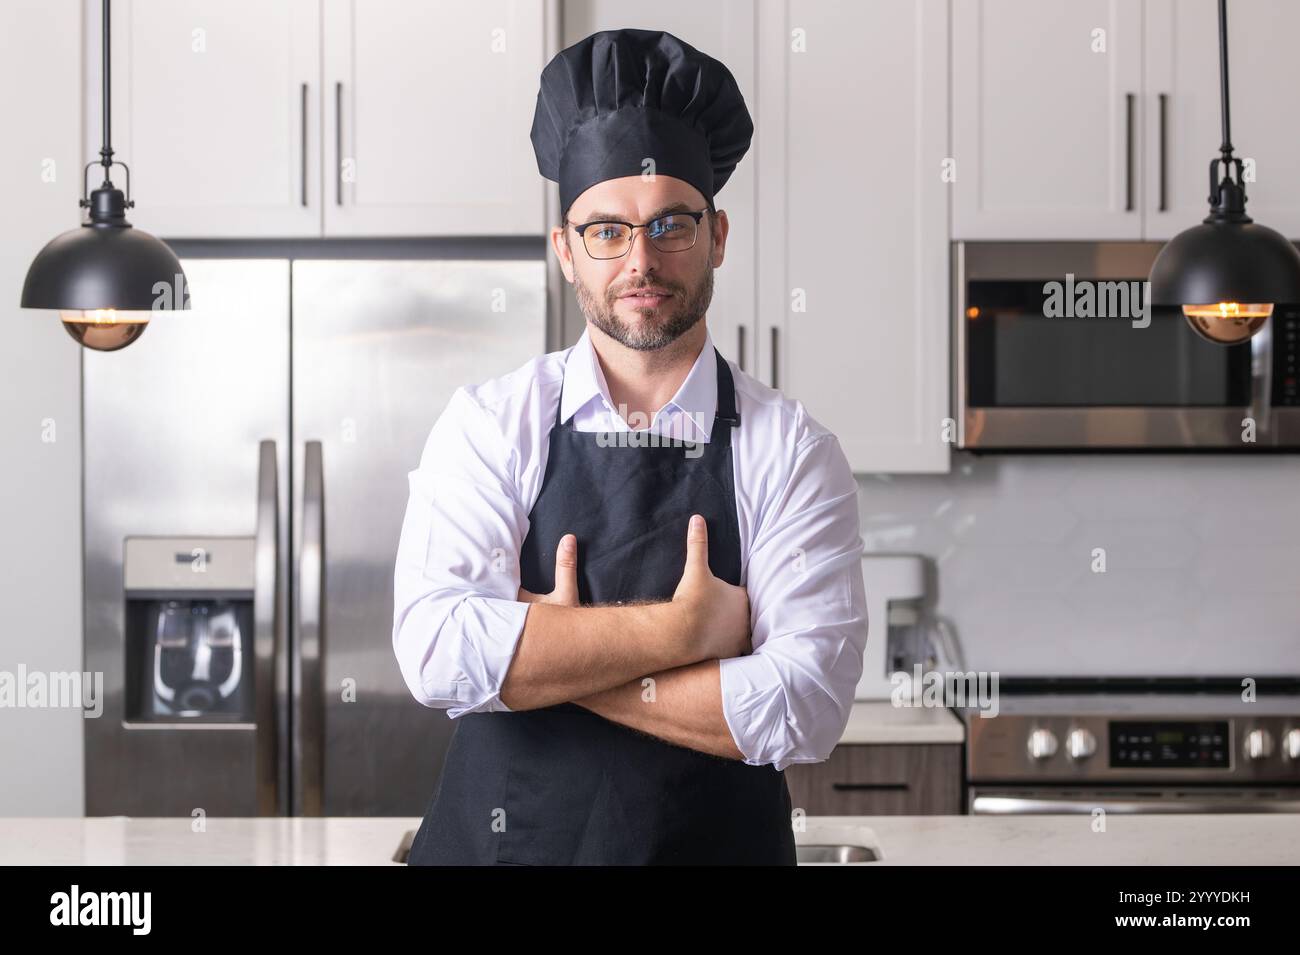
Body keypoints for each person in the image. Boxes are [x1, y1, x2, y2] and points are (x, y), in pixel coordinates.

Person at [394, 28, 867, 865]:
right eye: (606, 231)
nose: (639, 260)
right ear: (566, 253)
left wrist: (550, 657)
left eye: (669, 225)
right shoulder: (490, 424)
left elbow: (805, 704)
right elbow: (436, 652)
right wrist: (686, 632)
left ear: (717, 236)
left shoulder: (791, 450)